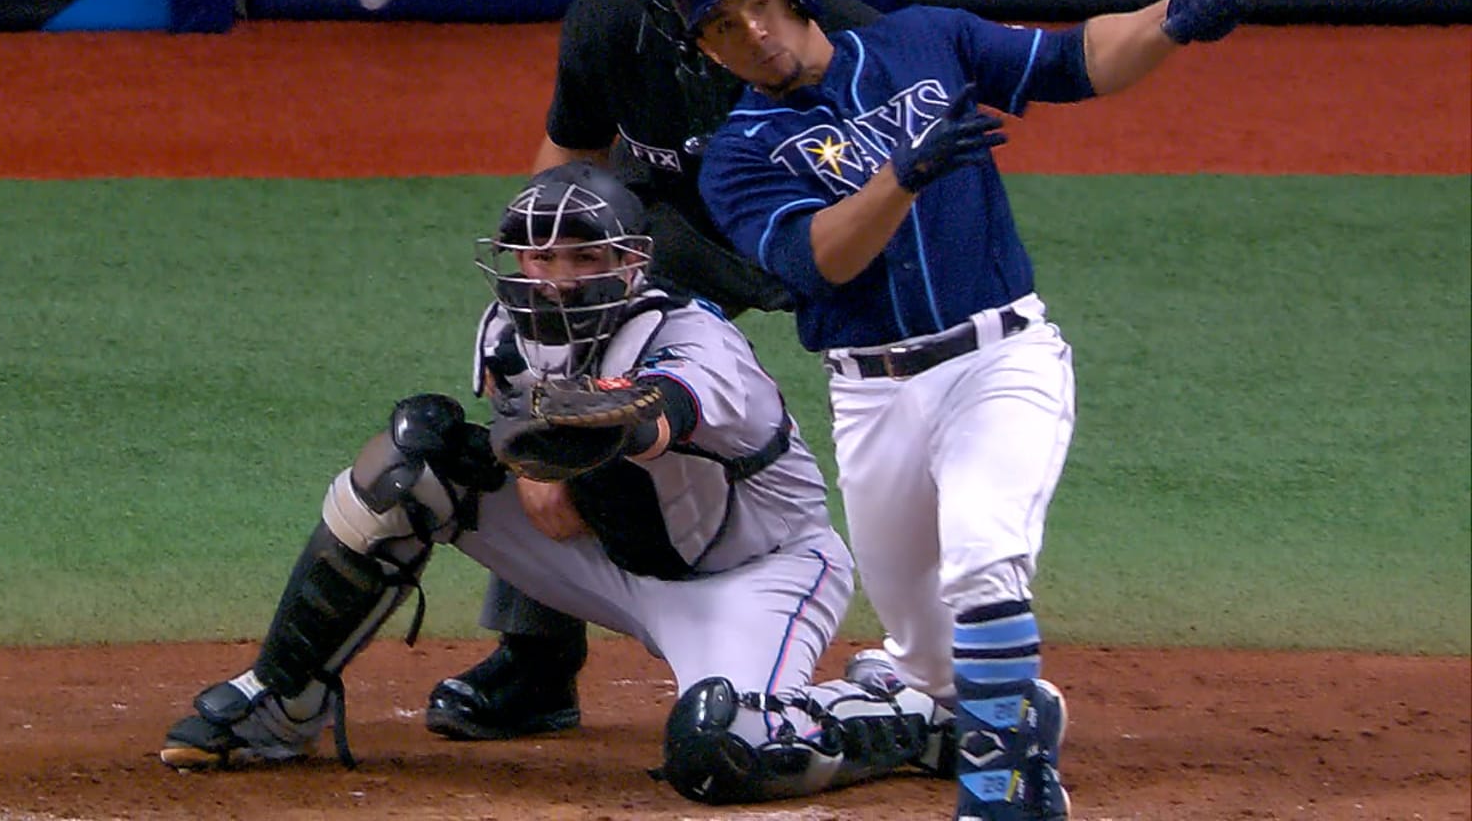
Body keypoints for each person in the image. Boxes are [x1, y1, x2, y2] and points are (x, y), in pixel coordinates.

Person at [160, 161, 961, 804]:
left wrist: (592, 425)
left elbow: (659, 414)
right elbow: (536, 490)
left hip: (755, 576)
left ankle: (905, 714)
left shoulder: (693, 338)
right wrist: (524, 461)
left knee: (725, 747)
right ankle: (283, 697)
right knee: (414, 463)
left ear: (630, 263)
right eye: (540, 256)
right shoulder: (510, 334)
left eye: (585, 256)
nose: (557, 279)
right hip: (612, 559)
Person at [671, 0, 1250, 818]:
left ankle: (1005, 796)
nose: (753, 35)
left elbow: (1069, 62)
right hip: (873, 398)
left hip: (997, 360)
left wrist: (1171, 19)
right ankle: (1011, 711)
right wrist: (900, 178)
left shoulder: (923, 38)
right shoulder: (736, 156)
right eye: (724, 26)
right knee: (932, 666)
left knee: (985, 555)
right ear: (709, 51)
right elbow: (817, 261)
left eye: (758, 7)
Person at [425, 0, 882, 744]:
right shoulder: (611, 17)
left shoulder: (844, 38)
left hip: (826, 234)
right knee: (576, 380)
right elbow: (568, 165)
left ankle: (933, 648)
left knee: (917, 395)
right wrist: (545, 309)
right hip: (667, 235)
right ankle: (536, 660)